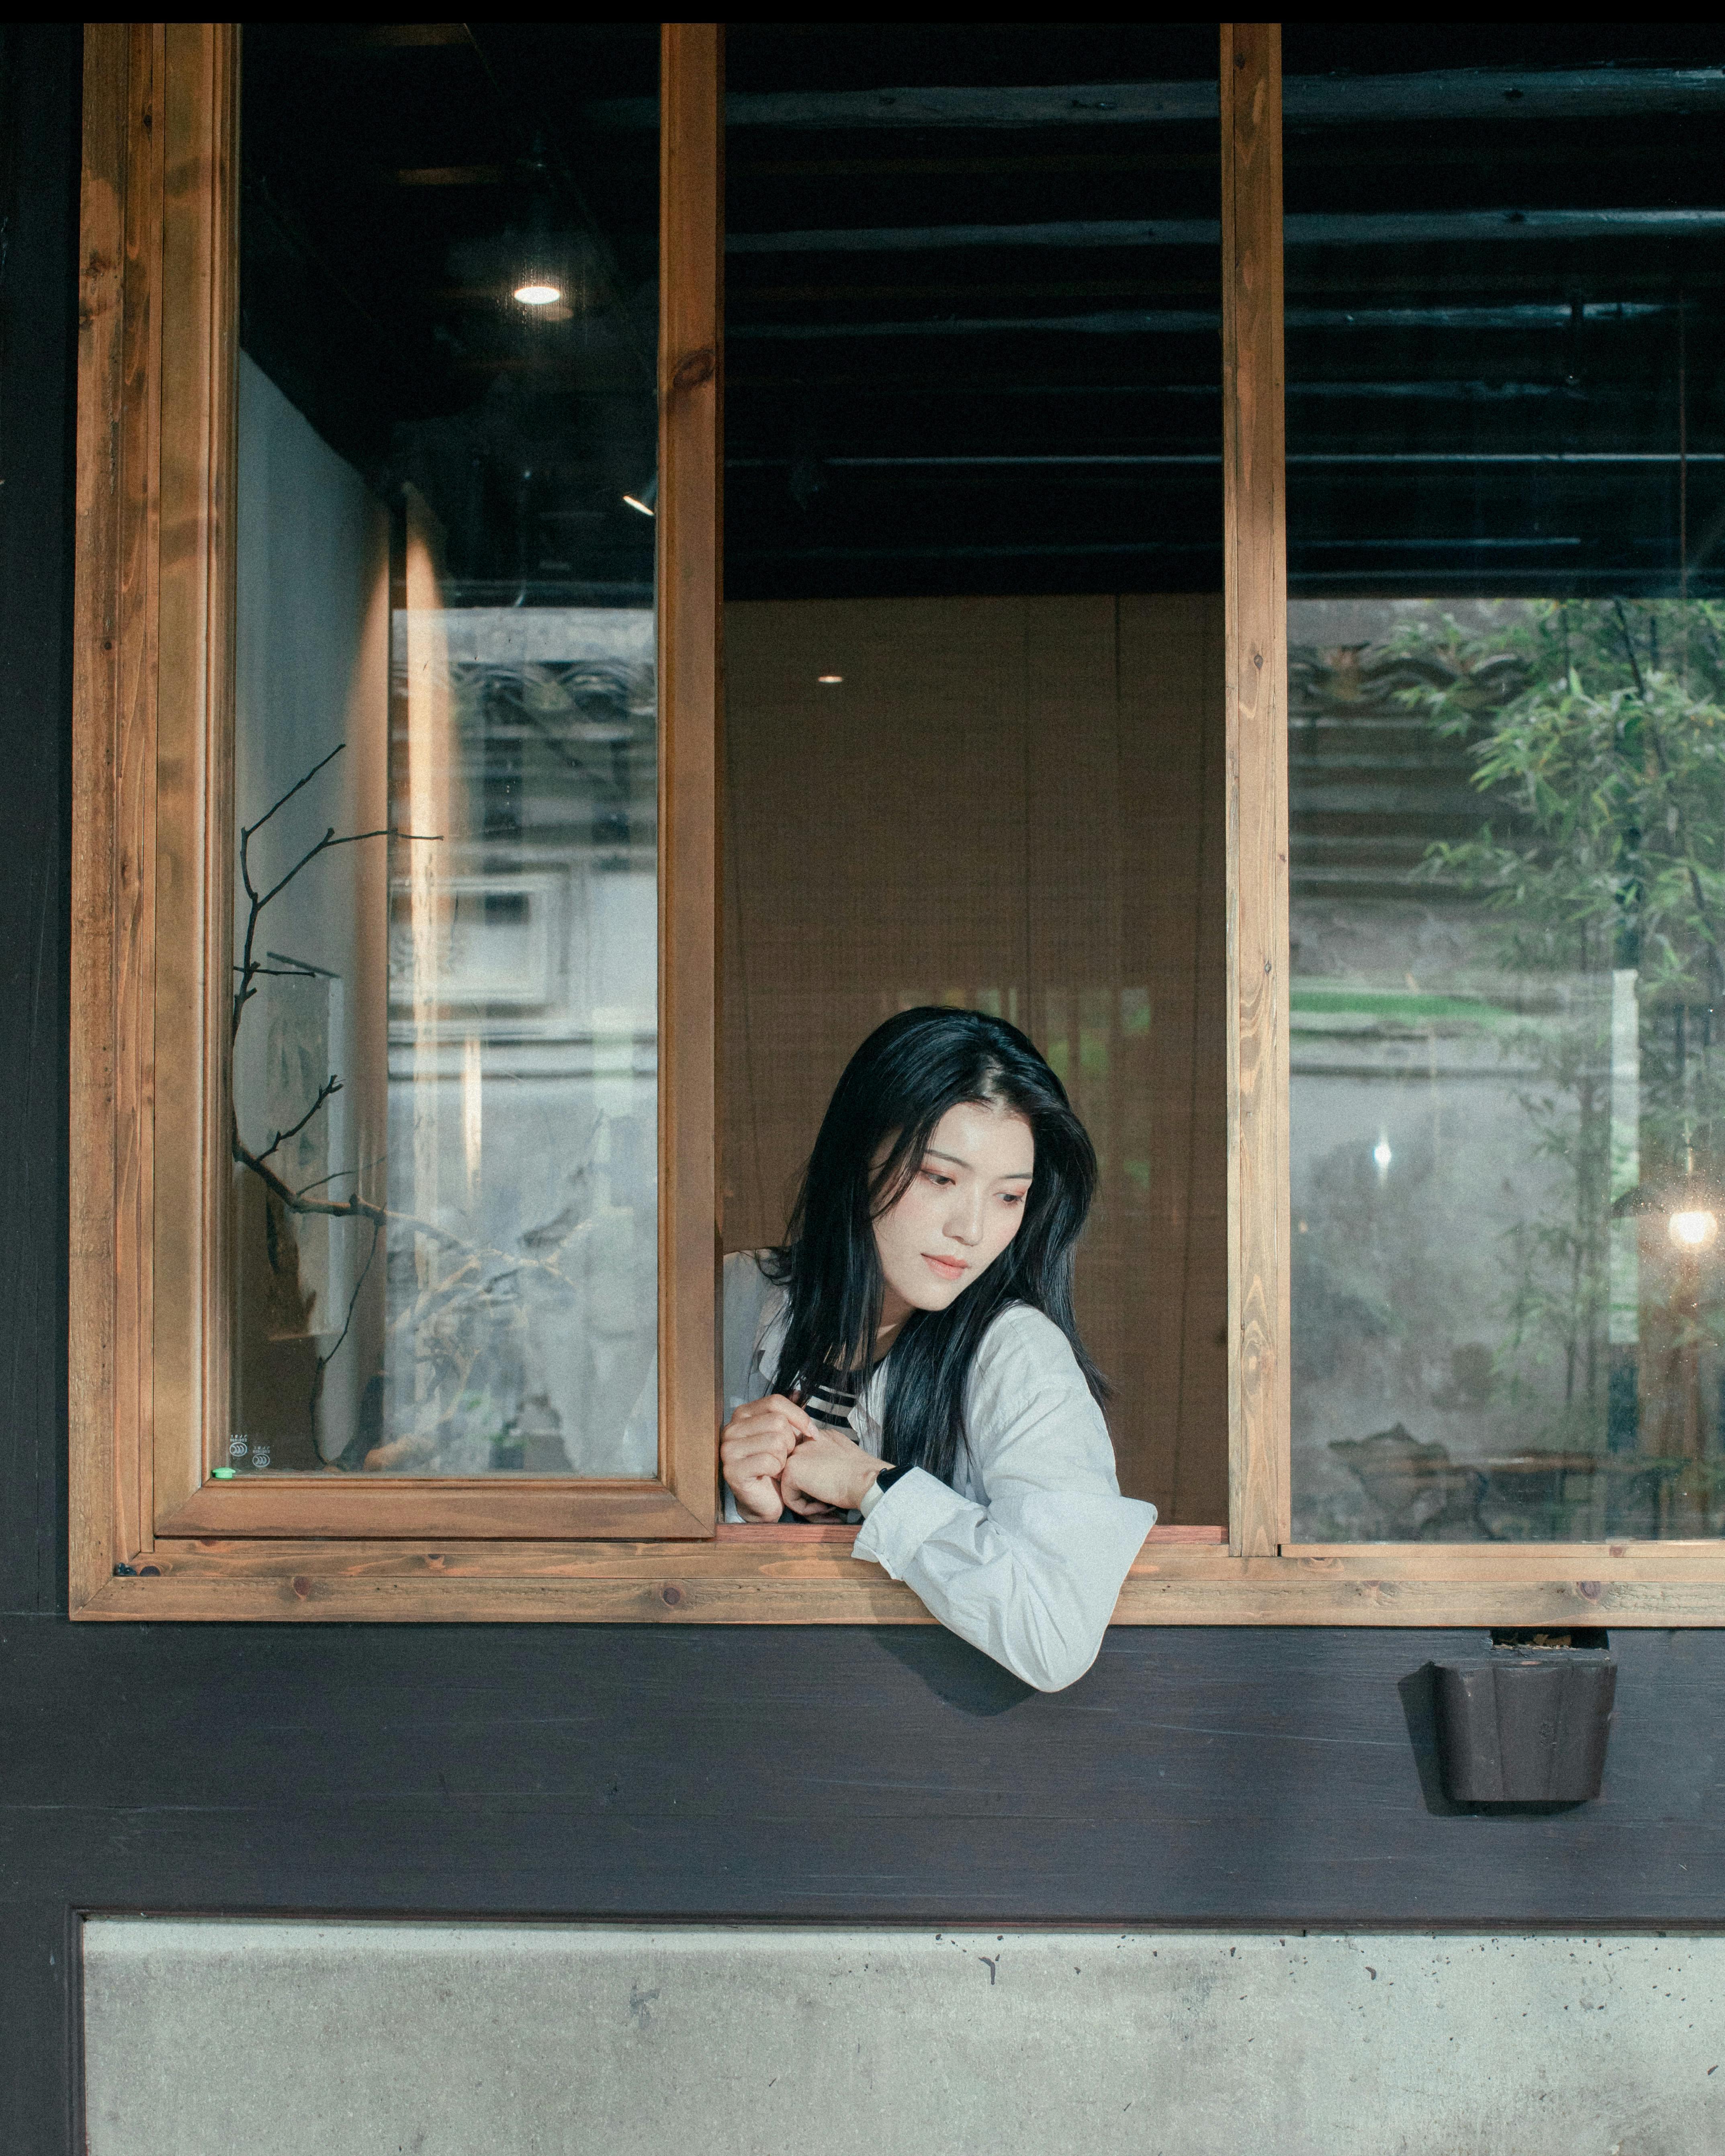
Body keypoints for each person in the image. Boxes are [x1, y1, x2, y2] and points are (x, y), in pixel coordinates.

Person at [722, 1005, 1156, 1692]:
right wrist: (744, 1515)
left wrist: (874, 1486)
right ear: (856, 1158)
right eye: (939, 1179)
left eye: (1010, 1196)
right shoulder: (730, 1301)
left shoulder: (1016, 1355)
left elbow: (1054, 1634)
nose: (972, 1229)